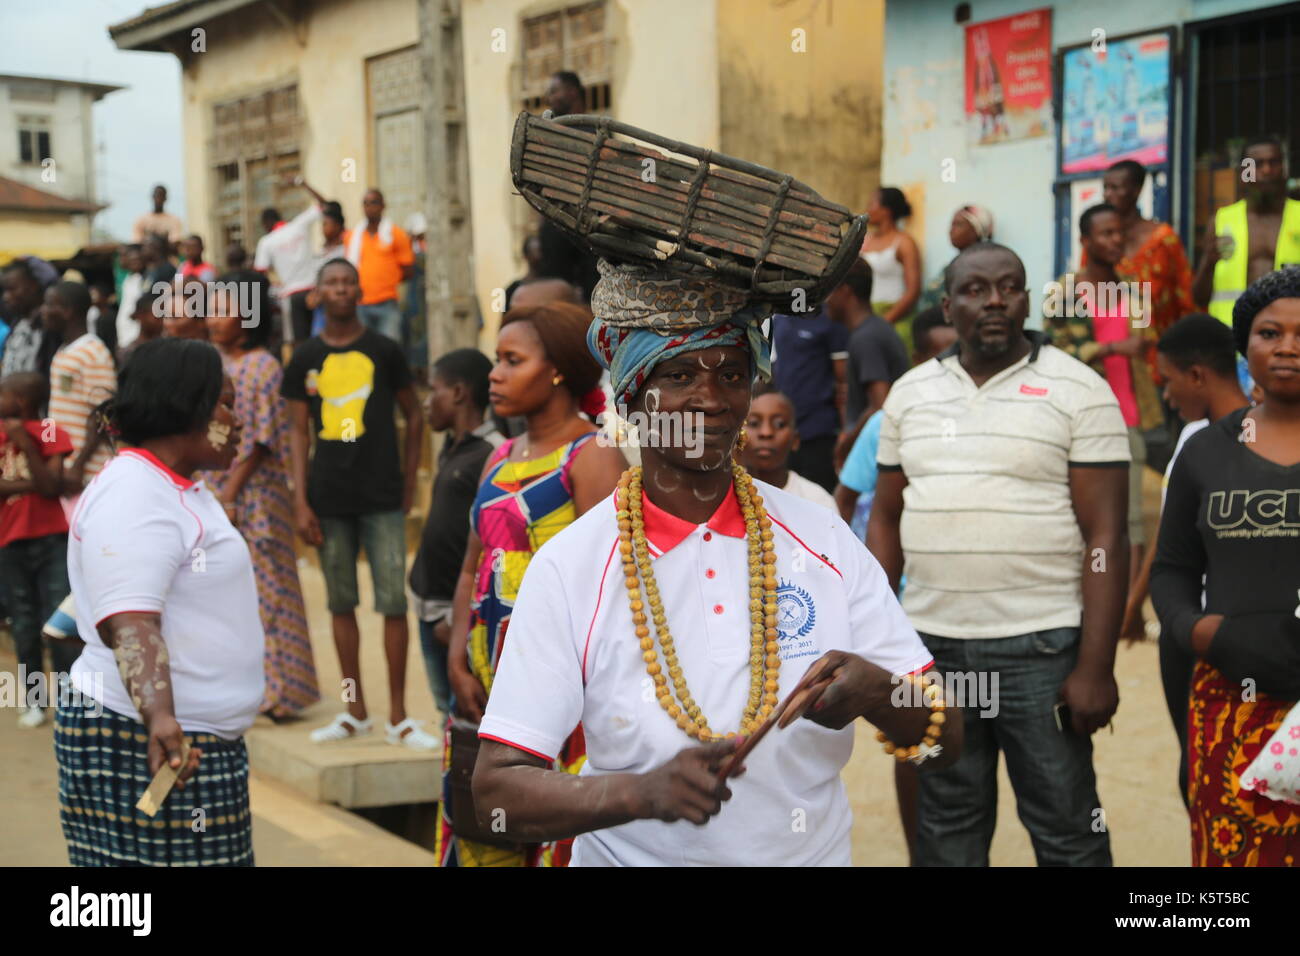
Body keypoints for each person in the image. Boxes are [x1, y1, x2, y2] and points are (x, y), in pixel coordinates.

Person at [470, 259, 961, 867]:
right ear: (630, 396)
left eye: (731, 372)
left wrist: (882, 692)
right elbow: (497, 790)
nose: (708, 397)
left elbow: (947, 735)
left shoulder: (821, 538)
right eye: (678, 374)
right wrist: (638, 793)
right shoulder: (571, 566)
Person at [868, 242, 1129, 867]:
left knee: (1067, 827)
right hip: (933, 651)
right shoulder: (909, 394)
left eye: (1009, 287)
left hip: (1041, 649)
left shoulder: (1078, 390)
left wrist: (1095, 667)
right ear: (947, 304)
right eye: (975, 289)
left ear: (1026, 297)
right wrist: (884, 640)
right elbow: (885, 514)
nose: (993, 301)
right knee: (947, 830)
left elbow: (1107, 538)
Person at [58, 337, 262, 866]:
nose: (237, 423)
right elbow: (129, 622)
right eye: (226, 405)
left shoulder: (175, 488)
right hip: (146, 741)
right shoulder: (136, 493)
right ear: (184, 406)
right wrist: (161, 720)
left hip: (182, 739)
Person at [437, 300, 624, 867]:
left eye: (512, 360)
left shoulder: (591, 457)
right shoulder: (498, 457)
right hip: (485, 693)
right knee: (482, 834)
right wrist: (456, 659)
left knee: (551, 836)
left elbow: (613, 584)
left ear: (559, 371)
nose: (494, 373)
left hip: (560, 695)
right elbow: (474, 565)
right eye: (496, 359)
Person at [1151, 266, 1300, 866]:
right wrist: (1199, 630)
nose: (1288, 346)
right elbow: (1171, 569)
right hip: (1231, 706)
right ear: (1245, 347)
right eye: (1270, 333)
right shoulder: (1207, 451)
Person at [282, 259, 430, 748]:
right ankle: (354, 711)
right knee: (340, 603)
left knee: (392, 604)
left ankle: (400, 717)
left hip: (382, 495)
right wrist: (300, 501)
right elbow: (298, 434)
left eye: (348, 282)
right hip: (328, 497)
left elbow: (415, 414)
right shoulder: (304, 356)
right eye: (331, 283)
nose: (341, 290)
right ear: (317, 294)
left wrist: (409, 481)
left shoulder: (384, 350)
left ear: (360, 290)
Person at [1120, 314, 1249, 805]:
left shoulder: (1267, 437)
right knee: (1196, 766)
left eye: (1169, 381)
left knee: (1224, 768)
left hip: (1229, 632)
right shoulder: (1193, 440)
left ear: (1197, 375)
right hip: (1187, 627)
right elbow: (1173, 540)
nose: (1167, 396)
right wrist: (1135, 605)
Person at [205, 272, 318, 720]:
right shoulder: (214, 362)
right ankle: (248, 688)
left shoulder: (262, 367)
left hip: (254, 496)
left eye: (222, 310)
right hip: (220, 490)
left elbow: (264, 439)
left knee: (269, 590)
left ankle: (283, 693)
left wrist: (230, 492)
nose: (212, 318)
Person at [1048, 203, 1164, 585]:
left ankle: (1128, 603)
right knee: (1082, 513)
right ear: (1085, 240)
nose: (1116, 241)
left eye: (1120, 233)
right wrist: (1110, 350)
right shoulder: (1064, 291)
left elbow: (1146, 346)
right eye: (1106, 234)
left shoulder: (1135, 289)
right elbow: (1052, 353)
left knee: (1130, 517)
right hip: (1077, 416)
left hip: (1127, 413)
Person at [409, 348, 504, 718]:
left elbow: (488, 547)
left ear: (460, 393)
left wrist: (458, 621)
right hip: (428, 604)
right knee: (445, 713)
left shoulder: (494, 453)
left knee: (467, 714)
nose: (428, 402)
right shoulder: (453, 447)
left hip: (454, 613)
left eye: (435, 391)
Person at [835, 306, 956, 535]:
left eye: (959, 357)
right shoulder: (885, 422)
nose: (951, 369)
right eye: (941, 359)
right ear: (918, 361)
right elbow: (845, 499)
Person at [1193, 137, 1300, 386]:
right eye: (1257, 164)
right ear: (1243, 172)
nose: (1266, 170)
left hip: (1290, 345)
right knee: (1236, 421)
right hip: (1231, 344)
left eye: (1274, 163)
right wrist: (1209, 262)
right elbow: (1199, 297)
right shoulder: (1221, 221)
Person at [0, 372, 73, 728]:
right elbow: (44, 483)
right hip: (10, 541)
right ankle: (33, 701)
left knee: (57, 620)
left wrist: (25, 444)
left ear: (21, 401)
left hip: (52, 538)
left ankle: (67, 699)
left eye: (4, 394)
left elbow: (52, 485)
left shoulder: (47, 429)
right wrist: (35, 481)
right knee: (24, 623)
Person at [1102, 159, 1194, 350]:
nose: (1107, 195)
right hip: (1112, 352)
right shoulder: (1099, 242)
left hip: (1161, 352)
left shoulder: (1163, 240)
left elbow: (1185, 297)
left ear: (1136, 190)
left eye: (1115, 188)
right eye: (1106, 188)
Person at [828, 258, 909, 471]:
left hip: (875, 456)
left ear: (845, 291)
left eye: (830, 291)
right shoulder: (876, 329)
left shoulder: (866, 338)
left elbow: (879, 405)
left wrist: (846, 445)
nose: (825, 300)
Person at [42, 282, 116, 498]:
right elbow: (56, 411)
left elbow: (102, 413)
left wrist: (78, 465)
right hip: (66, 465)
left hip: (88, 471)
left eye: (49, 305)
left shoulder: (93, 353)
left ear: (67, 311)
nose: (43, 311)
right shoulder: (64, 351)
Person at [769, 300, 847, 494]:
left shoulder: (829, 318)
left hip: (819, 432)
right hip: (785, 433)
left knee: (818, 499)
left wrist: (846, 431)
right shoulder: (779, 317)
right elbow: (773, 370)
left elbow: (843, 382)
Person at [255, 176, 336, 345]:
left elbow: (260, 272)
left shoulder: (267, 241)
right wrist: (302, 183)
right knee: (324, 338)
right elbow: (324, 204)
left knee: (298, 342)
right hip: (315, 291)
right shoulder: (299, 225)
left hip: (291, 295)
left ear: (265, 223)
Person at [737, 385, 835, 510]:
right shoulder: (721, 496)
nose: (766, 432)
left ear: (795, 440)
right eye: (754, 423)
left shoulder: (818, 502)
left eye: (779, 424)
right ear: (737, 436)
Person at [345, 189, 413, 343]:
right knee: (363, 348)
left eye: (374, 203)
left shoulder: (397, 234)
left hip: (387, 303)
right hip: (360, 304)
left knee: (389, 348)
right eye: (366, 204)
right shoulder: (353, 237)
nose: (370, 207)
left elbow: (408, 270)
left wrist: (385, 282)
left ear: (383, 206)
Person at [860, 187, 921, 352]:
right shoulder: (864, 241)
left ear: (886, 210)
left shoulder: (904, 242)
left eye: (872, 203)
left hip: (895, 319)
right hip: (864, 317)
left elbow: (913, 291)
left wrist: (885, 321)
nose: (867, 208)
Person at [919, 205, 995, 310]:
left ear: (977, 230)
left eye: (958, 225)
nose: (951, 230)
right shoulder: (954, 265)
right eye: (952, 225)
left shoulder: (980, 267)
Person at [0, 257, 53, 379]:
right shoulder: (17, 323)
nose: (6, 297)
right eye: (4, 290)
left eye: (12, 289)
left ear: (33, 286)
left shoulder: (49, 329)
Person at [116, 290, 164, 366]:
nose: (162, 320)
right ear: (141, 315)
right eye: (157, 315)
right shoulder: (129, 352)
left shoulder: (167, 349)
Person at [115, 244, 147, 352]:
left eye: (137, 260)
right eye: (132, 260)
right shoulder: (128, 279)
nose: (135, 263)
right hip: (124, 334)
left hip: (135, 334)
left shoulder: (145, 280)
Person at [503, 235, 544, 310]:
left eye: (542, 251)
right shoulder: (512, 290)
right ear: (526, 256)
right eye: (536, 251)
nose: (540, 256)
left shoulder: (553, 286)